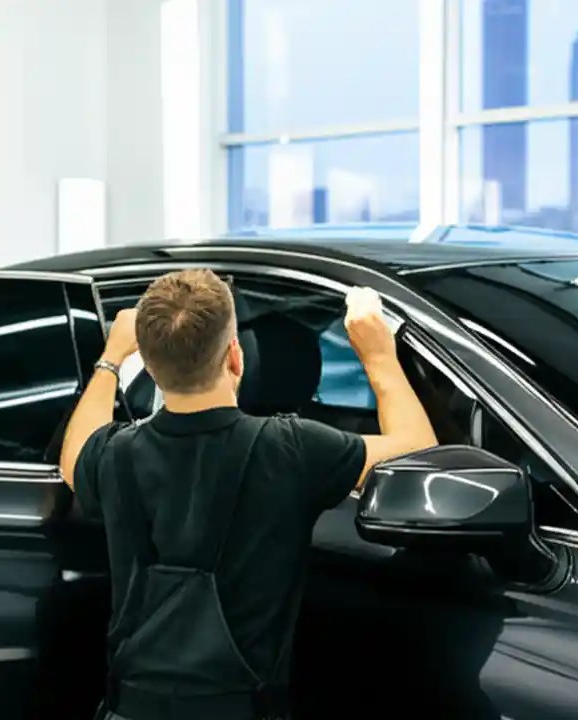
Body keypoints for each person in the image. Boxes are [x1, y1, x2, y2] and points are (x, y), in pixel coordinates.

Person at [60, 269, 437, 720]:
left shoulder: (115, 453)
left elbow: (73, 457)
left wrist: (111, 359)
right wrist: (377, 354)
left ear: (154, 369)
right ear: (235, 357)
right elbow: (418, 455)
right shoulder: (289, 449)